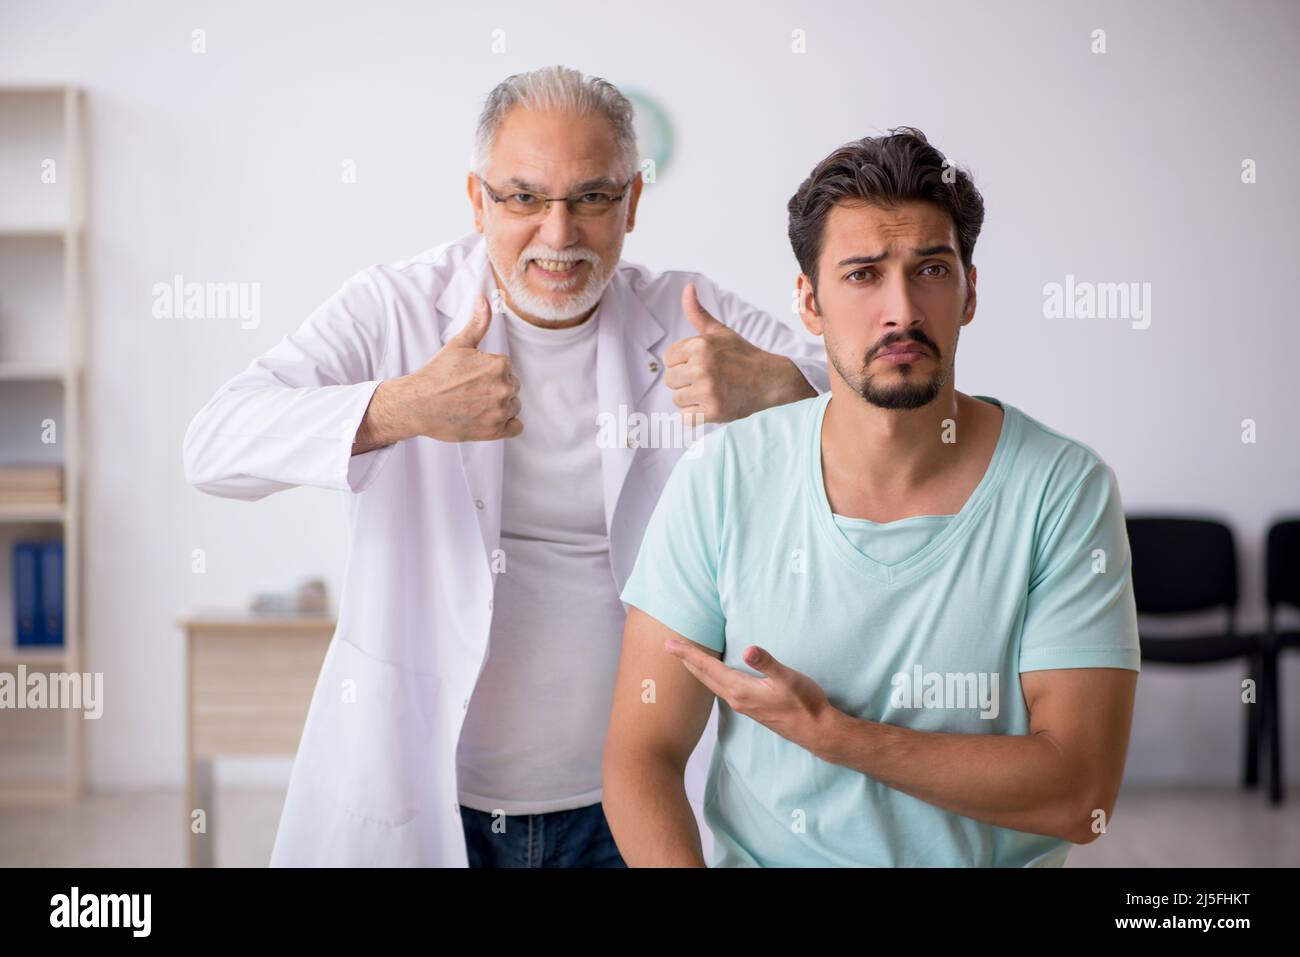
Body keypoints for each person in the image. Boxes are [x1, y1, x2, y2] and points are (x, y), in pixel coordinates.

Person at [182, 65, 828, 867]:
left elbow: (883, 412)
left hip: (625, 803)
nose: (558, 235)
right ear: (477, 198)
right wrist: (399, 408)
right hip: (428, 795)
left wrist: (788, 390)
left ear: (631, 202)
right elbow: (213, 443)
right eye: (523, 197)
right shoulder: (395, 308)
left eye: (590, 198)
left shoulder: (687, 312)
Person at [605, 127, 1141, 867]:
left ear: (970, 290)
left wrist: (834, 734)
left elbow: (1081, 796)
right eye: (862, 275)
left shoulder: (1062, 489)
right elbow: (641, 756)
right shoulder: (721, 477)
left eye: (930, 269)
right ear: (809, 300)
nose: (902, 311)